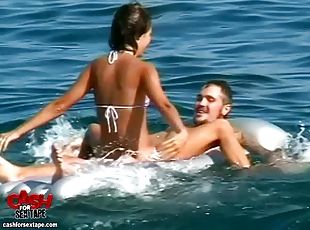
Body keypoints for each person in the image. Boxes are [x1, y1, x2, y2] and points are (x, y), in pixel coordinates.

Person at [0, 80, 250, 183]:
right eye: (199, 97)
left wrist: (270, 163)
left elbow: (242, 165)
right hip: (130, 149)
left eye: (210, 100)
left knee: (96, 157)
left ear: (226, 109)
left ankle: (20, 171)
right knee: (94, 130)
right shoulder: (185, 127)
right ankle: (70, 160)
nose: (201, 103)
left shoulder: (222, 126)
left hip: (145, 161)